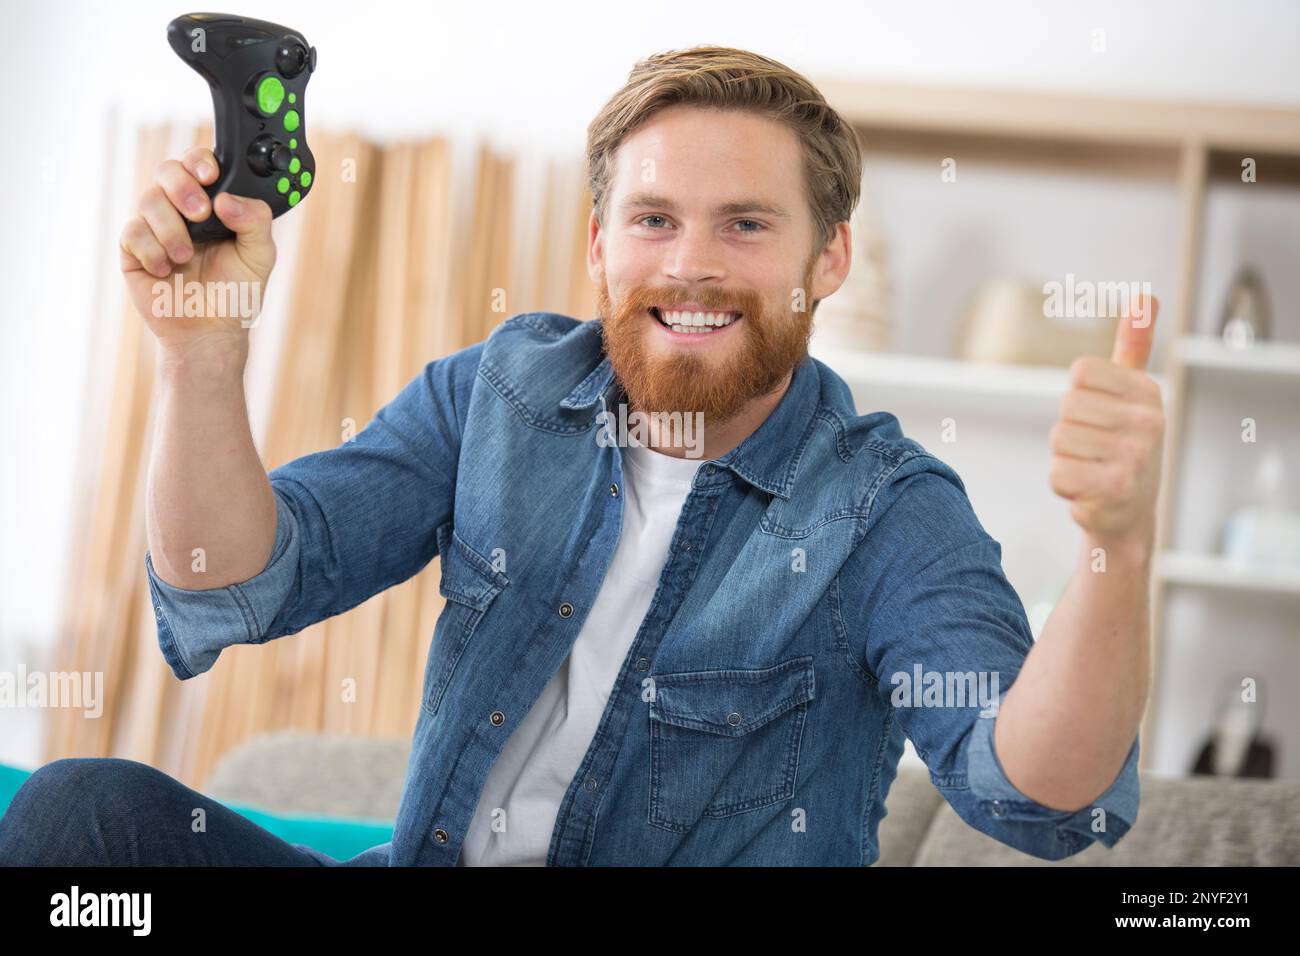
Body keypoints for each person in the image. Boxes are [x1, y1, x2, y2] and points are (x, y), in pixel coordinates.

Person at [0, 46, 1163, 867]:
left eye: (747, 224)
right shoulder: (502, 392)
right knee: (78, 818)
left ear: (829, 260)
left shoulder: (884, 504)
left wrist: (1115, 546)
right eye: (655, 219)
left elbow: (1036, 790)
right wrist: (199, 361)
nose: (691, 264)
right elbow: (230, 582)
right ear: (600, 246)